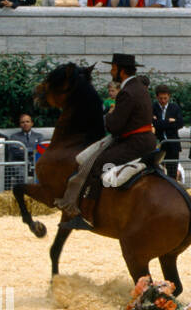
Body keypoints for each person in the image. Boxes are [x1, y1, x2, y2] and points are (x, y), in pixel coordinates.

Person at [57, 54, 157, 215]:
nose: (111, 72)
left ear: (121, 71)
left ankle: (87, 212)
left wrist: (107, 116)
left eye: (113, 68)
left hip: (135, 143)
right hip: (145, 140)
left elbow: (114, 126)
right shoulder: (139, 87)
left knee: (97, 163)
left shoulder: (127, 92)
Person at [152, 85, 183, 181]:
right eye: (161, 98)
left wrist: (161, 123)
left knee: (172, 172)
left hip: (172, 145)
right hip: (159, 144)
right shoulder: (153, 108)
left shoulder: (175, 108)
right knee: (158, 171)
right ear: (157, 97)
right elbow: (154, 124)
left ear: (169, 97)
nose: (163, 101)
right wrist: (168, 122)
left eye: (165, 98)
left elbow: (180, 123)